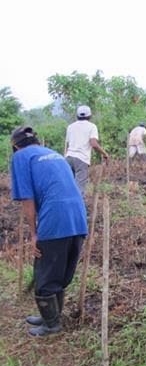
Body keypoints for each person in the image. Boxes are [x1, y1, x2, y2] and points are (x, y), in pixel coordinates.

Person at [9, 125, 89, 337]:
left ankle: (51, 326)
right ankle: (49, 316)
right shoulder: (53, 153)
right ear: (35, 140)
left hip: (54, 220)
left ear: (15, 146)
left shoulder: (20, 157)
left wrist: (34, 234)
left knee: (44, 278)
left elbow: (27, 198)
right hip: (78, 218)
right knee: (59, 273)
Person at [64, 105, 109, 195]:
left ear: (77, 116)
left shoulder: (70, 127)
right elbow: (94, 144)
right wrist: (105, 154)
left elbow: (68, 144)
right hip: (81, 159)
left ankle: (67, 207)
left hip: (68, 158)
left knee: (68, 185)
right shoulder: (92, 126)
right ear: (89, 116)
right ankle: (77, 208)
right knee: (79, 189)